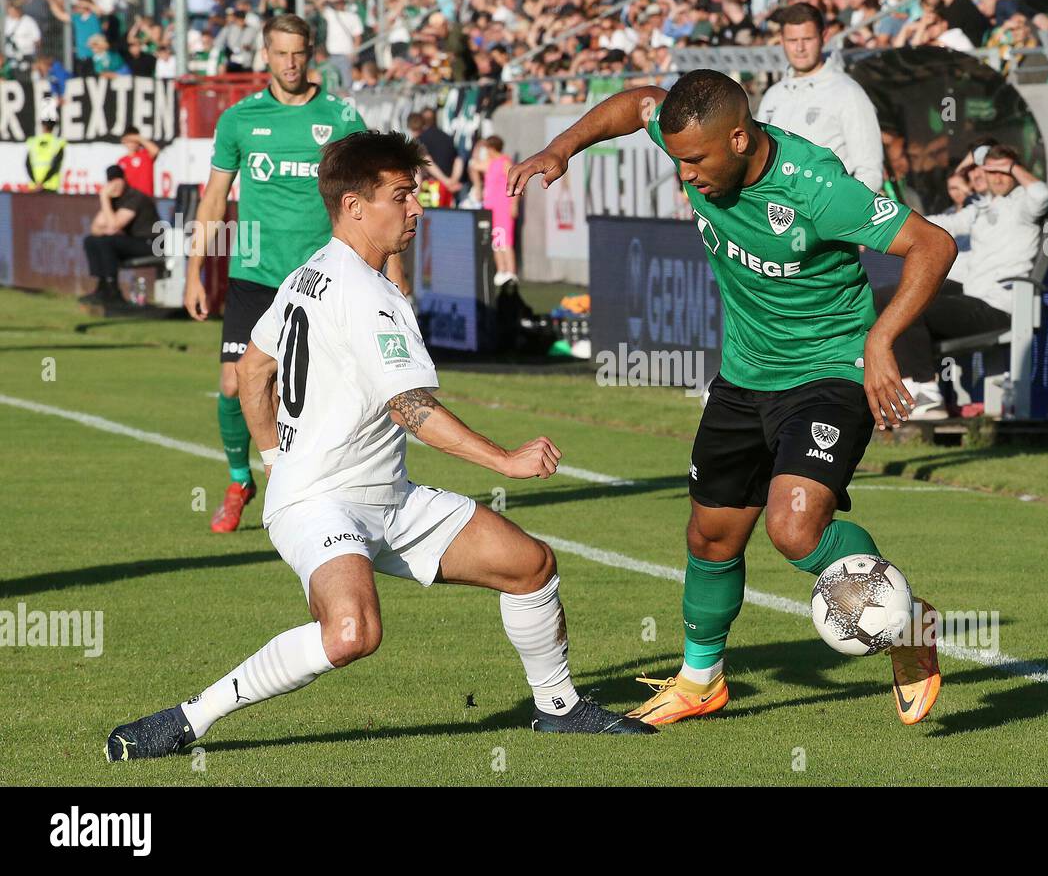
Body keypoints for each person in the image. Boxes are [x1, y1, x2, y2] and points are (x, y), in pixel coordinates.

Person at [104, 132, 654, 762]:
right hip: (321, 505)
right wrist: (505, 460)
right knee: (351, 632)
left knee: (530, 566)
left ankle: (558, 709)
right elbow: (411, 408)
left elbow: (252, 372)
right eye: (402, 195)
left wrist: (272, 457)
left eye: (414, 191)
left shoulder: (310, 273)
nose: (417, 207)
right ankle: (186, 720)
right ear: (355, 207)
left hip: (387, 497)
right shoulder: (366, 296)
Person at [509, 70, 956, 728]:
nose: (686, 175)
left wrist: (882, 339)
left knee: (794, 527)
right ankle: (701, 681)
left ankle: (907, 620)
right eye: (679, 158)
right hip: (745, 374)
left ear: (740, 138)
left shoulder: (817, 187)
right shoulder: (696, 136)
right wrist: (563, 149)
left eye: (695, 161)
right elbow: (638, 103)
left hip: (828, 371)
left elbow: (932, 243)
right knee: (711, 535)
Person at [184, 15, 371, 535]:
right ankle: (240, 481)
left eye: (299, 53)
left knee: (318, 392)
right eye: (280, 53)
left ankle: (328, 493)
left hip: (318, 277)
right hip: (253, 273)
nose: (290, 63)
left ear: (311, 52)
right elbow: (214, 199)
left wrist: (389, 267)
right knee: (232, 383)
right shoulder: (239, 119)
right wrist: (194, 270)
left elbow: (368, 193)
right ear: (264, 53)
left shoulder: (339, 116)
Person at [880, 144, 1048, 416]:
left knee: (912, 308)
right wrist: (887, 219)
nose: (997, 177)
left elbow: (1042, 196)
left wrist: (1012, 167)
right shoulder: (982, 208)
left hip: (999, 306)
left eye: (1003, 172)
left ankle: (929, 392)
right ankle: (910, 387)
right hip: (973, 300)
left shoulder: (1024, 207)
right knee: (886, 300)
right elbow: (938, 223)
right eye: (991, 171)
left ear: (1014, 172)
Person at [756, 3, 884, 191]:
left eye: (807, 39)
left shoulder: (848, 92)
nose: (800, 48)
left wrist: (842, 215)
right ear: (781, 41)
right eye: (792, 40)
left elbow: (870, 171)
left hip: (826, 212)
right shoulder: (773, 95)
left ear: (824, 37)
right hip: (777, 213)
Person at [81, 164, 161, 308]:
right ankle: (103, 286)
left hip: (152, 243)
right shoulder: (115, 200)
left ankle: (113, 291)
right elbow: (95, 228)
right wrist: (108, 201)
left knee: (107, 242)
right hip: (135, 241)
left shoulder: (134, 197)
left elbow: (114, 226)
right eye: (112, 183)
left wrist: (104, 198)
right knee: (91, 241)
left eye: (118, 182)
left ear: (124, 180)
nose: (115, 186)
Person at [471, 135, 518, 287]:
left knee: (506, 240)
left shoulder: (505, 162)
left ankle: (511, 272)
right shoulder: (491, 164)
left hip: (503, 207)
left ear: (492, 149)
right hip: (491, 207)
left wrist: (514, 204)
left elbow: (516, 182)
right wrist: (478, 146)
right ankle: (502, 270)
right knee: (497, 240)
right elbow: (473, 165)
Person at [24, 118, 65, 192]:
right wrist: (42, 183)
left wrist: (36, 183)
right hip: (50, 185)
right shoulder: (58, 143)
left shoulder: (33, 142)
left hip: (34, 186)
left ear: (43, 126)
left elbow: (27, 164)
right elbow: (56, 166)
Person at [118, 125, 159, 196]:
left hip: (146, 197)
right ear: (124, 142)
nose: (132, 144)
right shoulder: (121, 161)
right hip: (130, 198)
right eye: (129, 141)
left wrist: (138, 138)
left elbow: (155, 150)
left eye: (134, 141)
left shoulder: (145, 155)